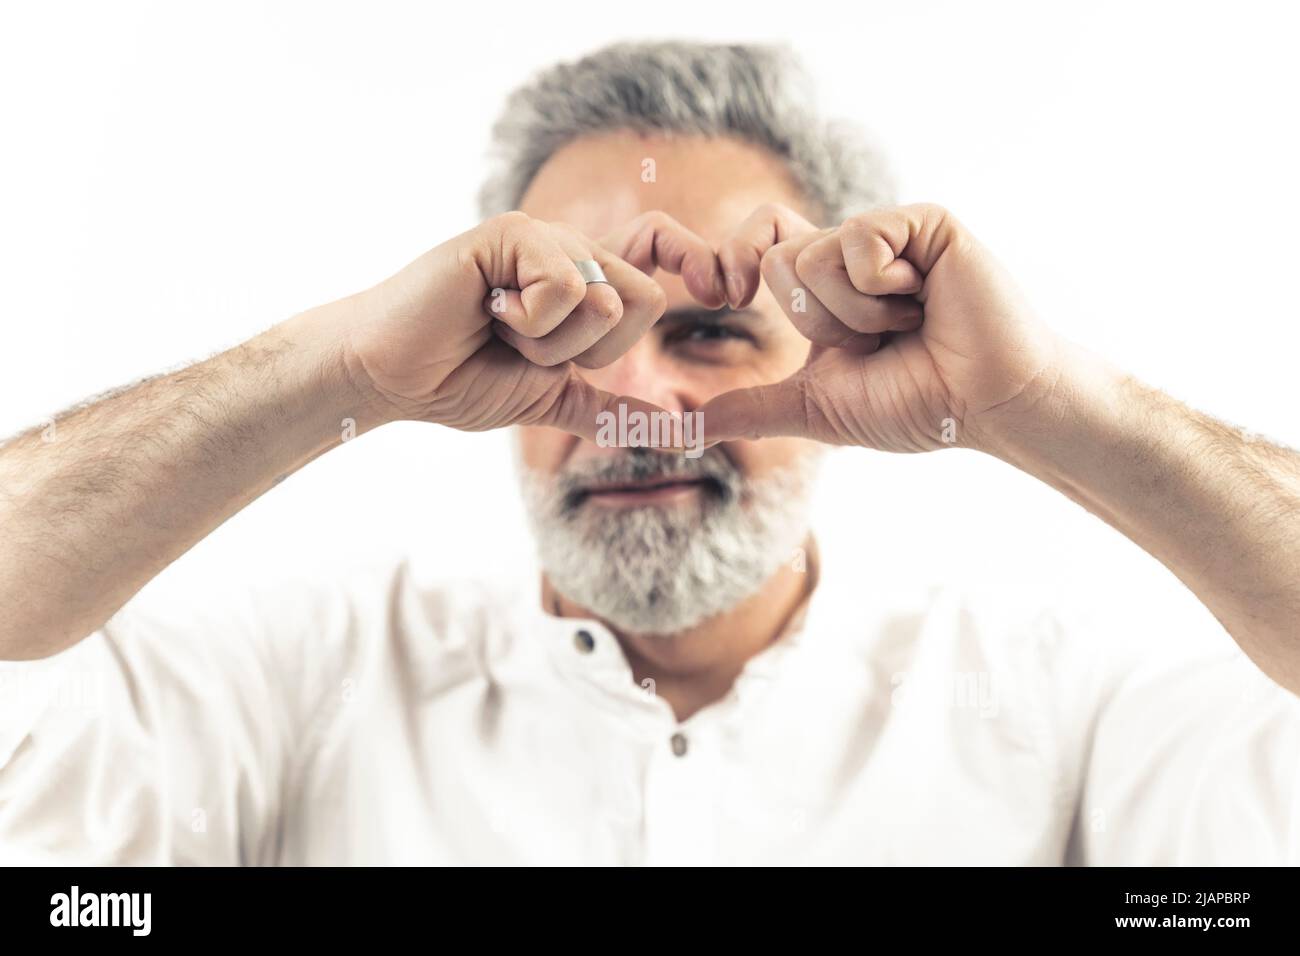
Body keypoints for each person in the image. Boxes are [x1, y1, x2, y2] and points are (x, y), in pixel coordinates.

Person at [1, 41, 1297, 865]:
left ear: (852, 348)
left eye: (717, 332)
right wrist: (349, 368)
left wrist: (1033, 399)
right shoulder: (298, 685)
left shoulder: (1058, 708)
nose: (632, 400)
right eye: (567, 330)